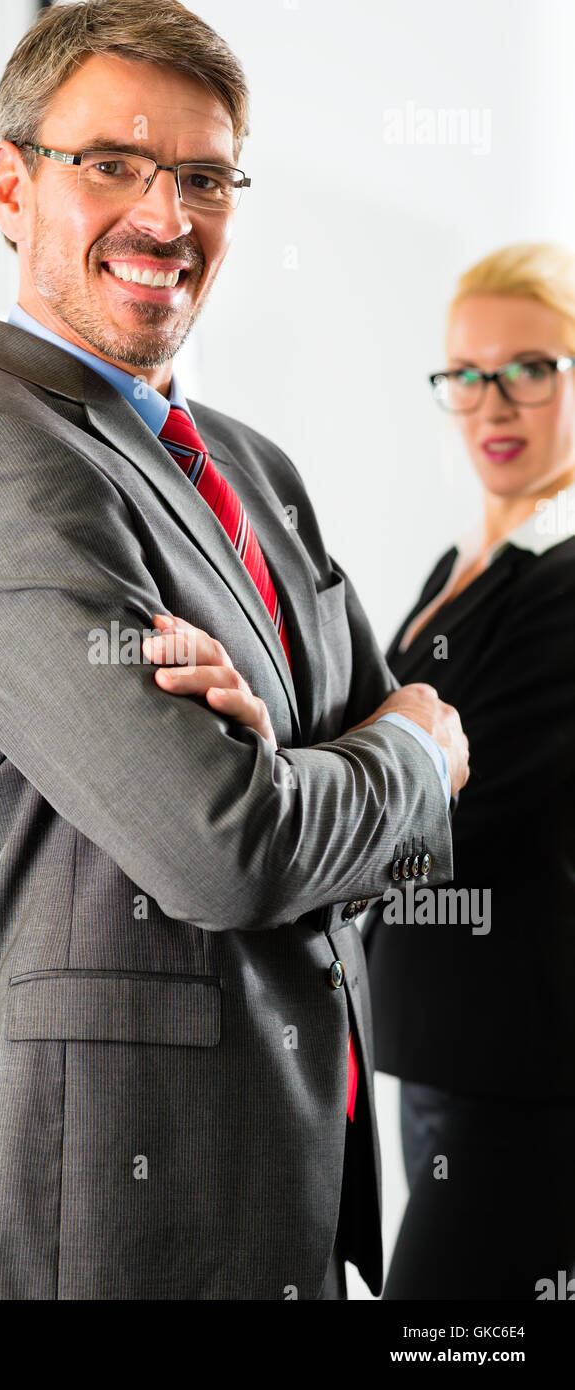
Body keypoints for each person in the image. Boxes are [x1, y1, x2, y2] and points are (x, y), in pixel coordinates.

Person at [0, 0, 468, 1300]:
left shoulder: (253, 468)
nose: (167, 218)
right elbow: (229, 846)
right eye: (111, 163)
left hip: (297, 1174)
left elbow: (421, 840)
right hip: (107, 1206)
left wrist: (328, 765)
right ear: (8, 184)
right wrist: (397, 750)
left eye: (203, 176)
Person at [365, 241, 575, 1300]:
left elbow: (471, 796)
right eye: (466, 374)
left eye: (529, 367)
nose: (491, 403)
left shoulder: (565, 571)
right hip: (441, 1049)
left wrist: (310, 798)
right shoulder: (458, 567)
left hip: (528, 1070)